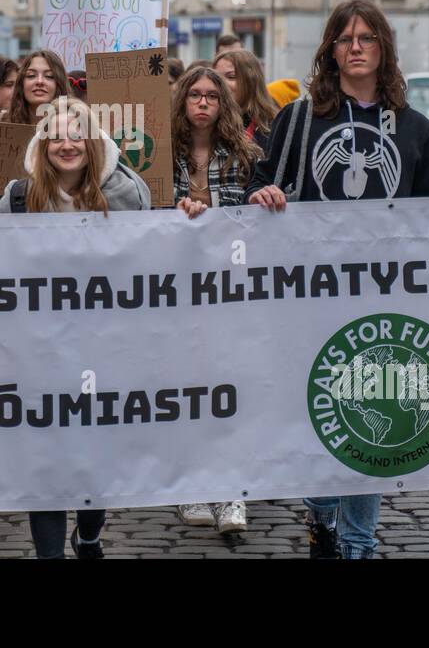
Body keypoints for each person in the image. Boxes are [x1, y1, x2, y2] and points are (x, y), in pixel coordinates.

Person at [245, 0, 429, 560]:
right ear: (330, 49)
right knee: (320, 420)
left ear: (384, 48)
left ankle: (357, 545)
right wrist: (265, 195)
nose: (355, 47)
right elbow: (261, 186)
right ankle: (322, 512)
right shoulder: (301, 119)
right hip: (313, 299)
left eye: (367, 38)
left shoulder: (412, 128)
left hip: (384, 300)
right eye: (345, 38)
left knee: (371, 424)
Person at [0, 97, 150, 558]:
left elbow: (151, 262)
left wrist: (193, 220)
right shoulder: (19, 196)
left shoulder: (127, 194)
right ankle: (49, 553)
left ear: (92, 140)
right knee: (47, 461)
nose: (66, 143)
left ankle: (90, 533)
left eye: (76, 133)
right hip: (38, 353)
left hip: (104, 350)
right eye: (55, 135)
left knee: (97, 458)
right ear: (43, 143)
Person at [171, 65, 263, 533]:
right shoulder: (159, 157)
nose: (203, 102)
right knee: (189, 387)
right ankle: (192, 484)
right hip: (176, 292)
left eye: (212, 95)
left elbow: (257, 214)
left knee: (232, 388)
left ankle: (232, 491)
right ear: (182, 102)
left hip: (231, 288)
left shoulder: (245, 157)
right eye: (195, 95)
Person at [214, 48, 279, 152]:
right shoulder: (208, 125)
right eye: (216, 78)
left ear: (251, 81)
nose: (221, 84)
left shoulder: (274, 127)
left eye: (231, 77)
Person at [5, 50, 71, 125]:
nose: (39, 81)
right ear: (21, 83)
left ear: (59, 84)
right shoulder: (2, 124)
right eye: (31, 75)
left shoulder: (77, 127)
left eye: (49, 76)